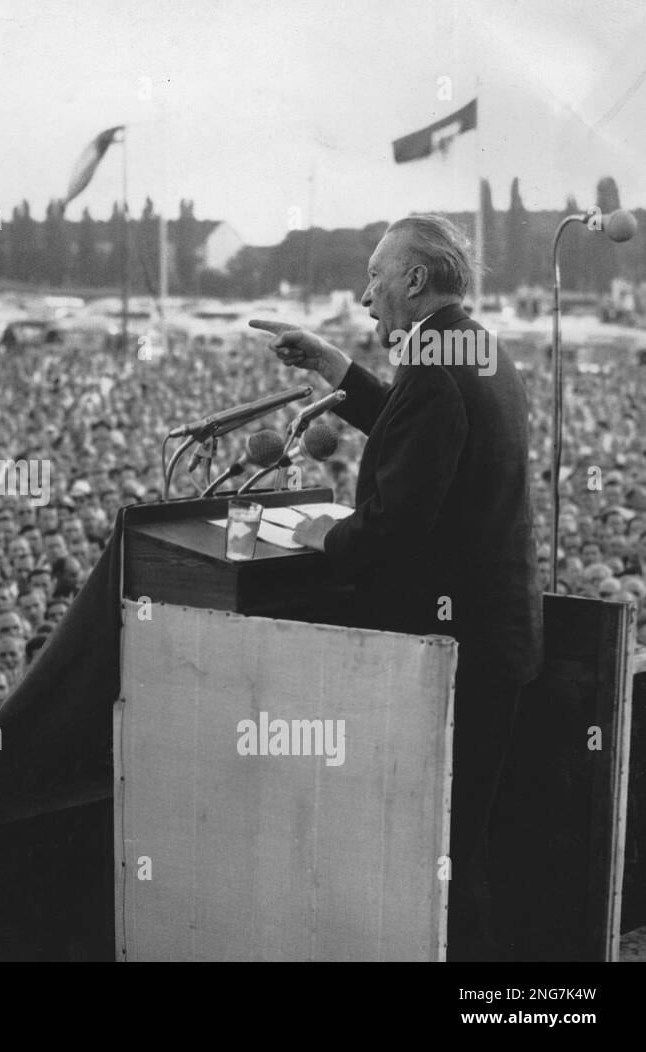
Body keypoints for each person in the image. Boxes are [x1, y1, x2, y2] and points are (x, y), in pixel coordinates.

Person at [251, 214, 542, 962]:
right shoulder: (470, 345)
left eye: (377, 275)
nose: (365, 291)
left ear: (415, 281)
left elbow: (390, 532)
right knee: (458, 844)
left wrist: (321, 534)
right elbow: (419, 427)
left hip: (458, 654)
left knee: (439, 852)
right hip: (494, 641)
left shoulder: (436, 367)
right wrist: (335, 370)